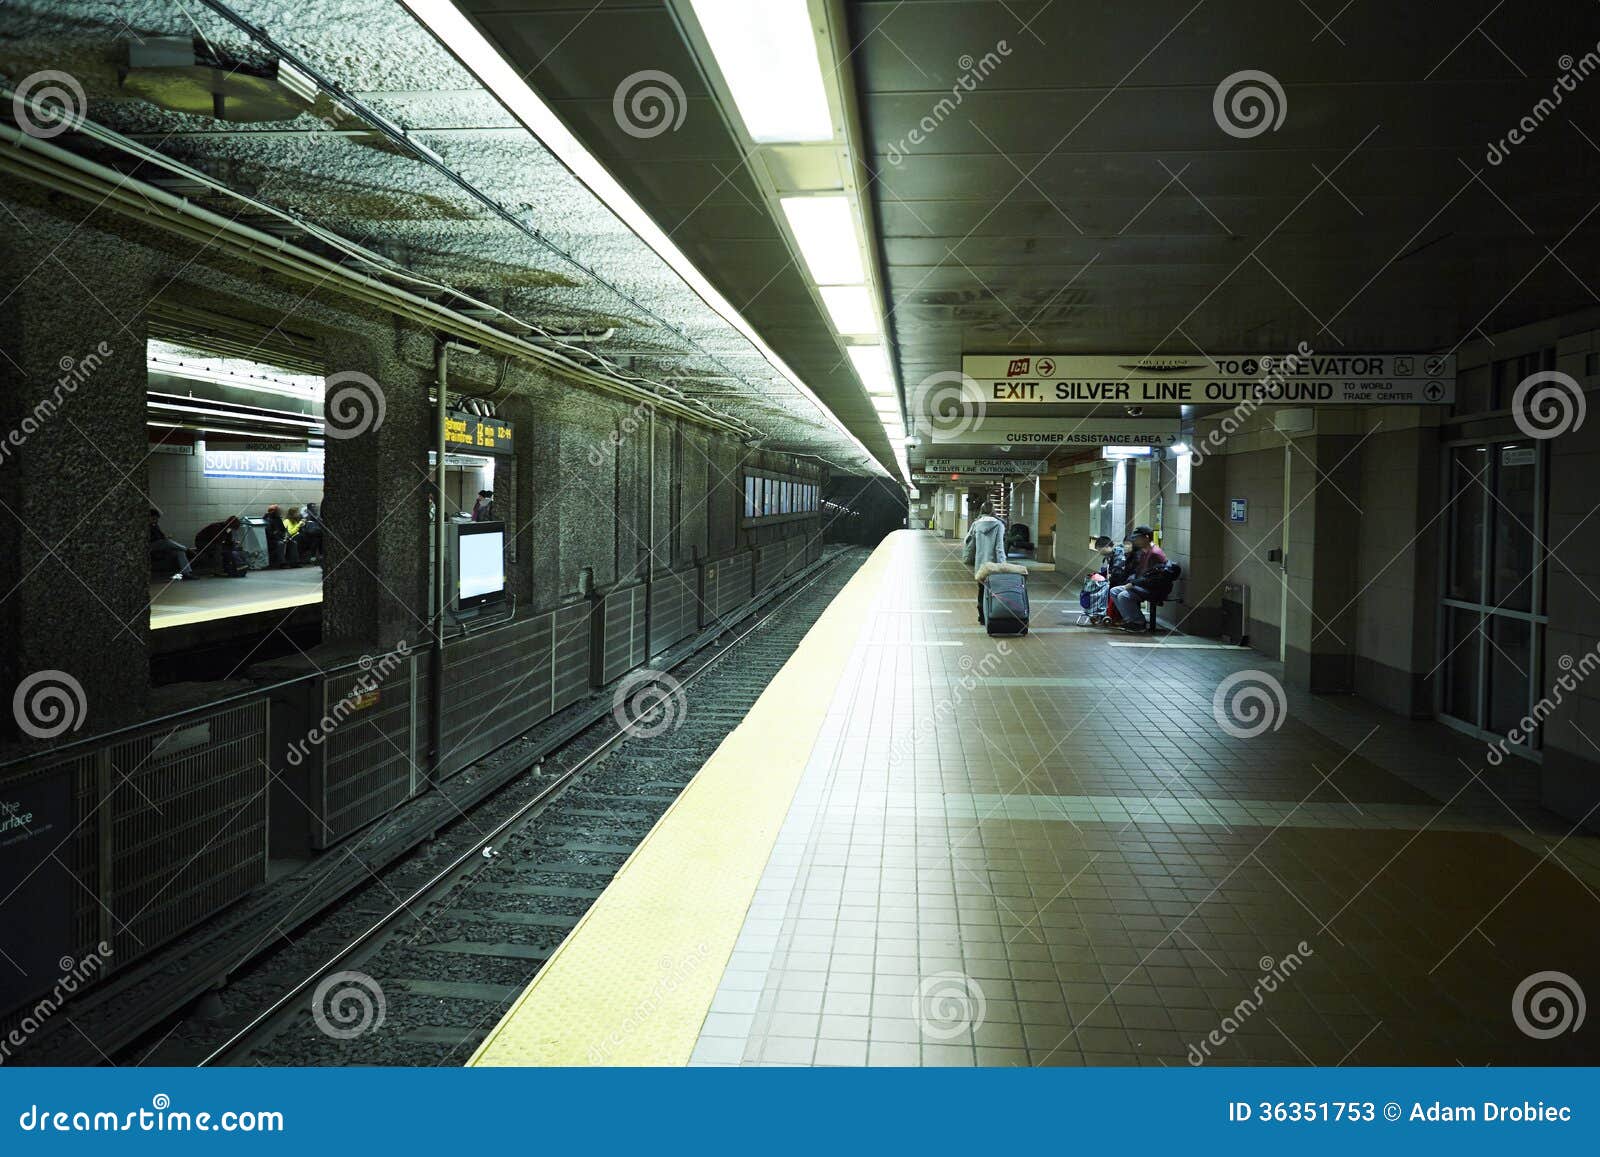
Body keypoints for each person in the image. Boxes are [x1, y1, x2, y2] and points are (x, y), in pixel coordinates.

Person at [1110, 525, 1167, 631]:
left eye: (1137, 538)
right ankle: (1130, 619)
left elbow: (1153, 578)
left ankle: (1138, 622)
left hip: (1153, 588)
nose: (1135, 540)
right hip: (1143, 585)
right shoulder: (1144, 551)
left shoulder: (1155, 554)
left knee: (1124, 595)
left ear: (1146, 537)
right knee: (1114, 591)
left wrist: (1133, 584)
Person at [961, 500, 1008, 623]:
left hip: (980, 564)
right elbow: (999, 548)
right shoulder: (999, 525)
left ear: (982, 510)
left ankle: (981, 616)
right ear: (993, 510)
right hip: (994, 565)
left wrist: (967, 558)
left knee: (981, 589)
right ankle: (992, 615)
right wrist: (1003, 565)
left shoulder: (976, 524)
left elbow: (968, 543)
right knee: (995, 590)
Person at [1083, 535, 1127, 621]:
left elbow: (1118, 572)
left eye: (1099, 550)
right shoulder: (1110, 555)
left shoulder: (1119, 553)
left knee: (1108, 589)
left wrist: (1108, 578)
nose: (1099, 552)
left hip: (1123, 581)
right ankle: (1104, 612)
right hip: (1116, 580)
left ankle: (1113, 615)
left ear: (1106, 546)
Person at [148, 508, 192, 580]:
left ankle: (186, 573)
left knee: (180, 552)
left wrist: (167, 537)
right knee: (167, 542)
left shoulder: (155, 525)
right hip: (151, 546)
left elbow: (162, 536)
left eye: (156, 519)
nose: (155, 520)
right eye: (154, 518)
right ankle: (186, 549)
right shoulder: (146, 526)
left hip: (160, 545)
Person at [263, 504, 299, 568]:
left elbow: (284, 530)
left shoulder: (278, 519)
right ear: (273, 512)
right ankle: (282, 563)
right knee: (280, 544)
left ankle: (294, 562)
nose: (279, 512)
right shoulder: (267, 520)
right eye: (277, 511)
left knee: (293, 542)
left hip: (280, 537)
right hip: (272, 540)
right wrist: (280, 537)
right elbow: (270, 533)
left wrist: (286, 536)